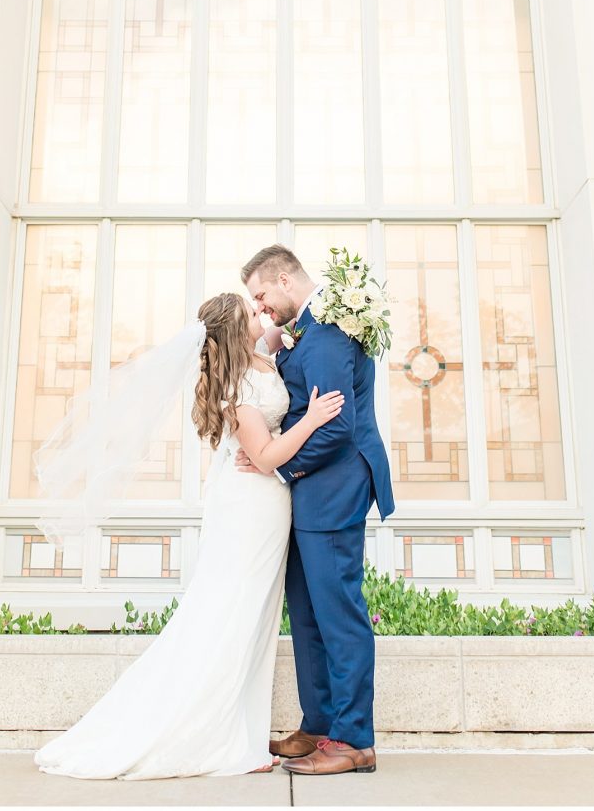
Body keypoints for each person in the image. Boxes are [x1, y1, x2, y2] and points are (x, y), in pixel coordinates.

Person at [33, 292, 344, 780]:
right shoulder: (236, 383)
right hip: (249, 505)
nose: (260, 316)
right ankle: (215, 736)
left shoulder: (259, 354)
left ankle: (241, 732)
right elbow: (263, 458)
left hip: (266, 505)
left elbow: (289, 326)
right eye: (251, 313)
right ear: (233, 330)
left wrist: (326, 313)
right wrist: (310, 418)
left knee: (255, 614)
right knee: (232, 612)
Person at [239, 245, 396, 776]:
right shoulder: (306, 332)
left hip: (334, 490)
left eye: (262, 294)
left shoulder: (328, 333)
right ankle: (319, 724)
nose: (261, 307)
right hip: (311, 494)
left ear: (284, 279)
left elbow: (335, 426)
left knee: (338, 613)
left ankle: (353, 741)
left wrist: (275, 467)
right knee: (306, 613)